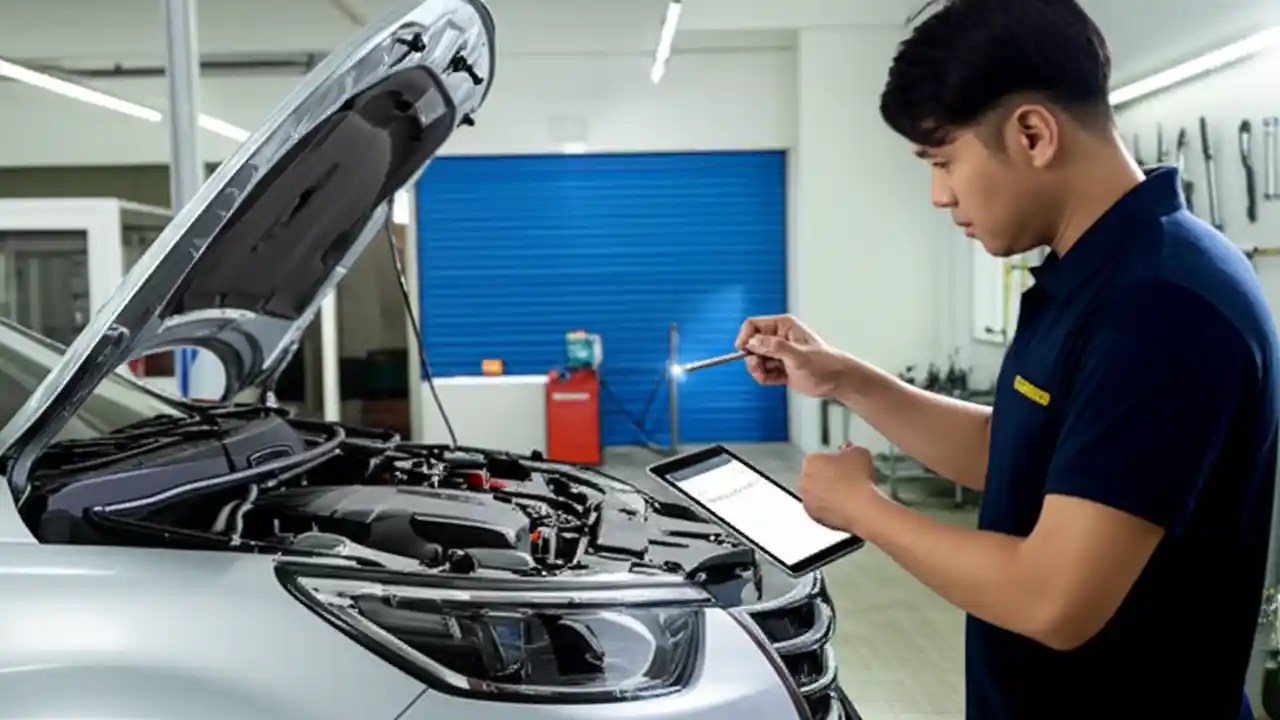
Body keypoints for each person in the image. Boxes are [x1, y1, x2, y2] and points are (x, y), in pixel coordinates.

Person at [735, 0, 1280, 717]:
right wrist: (841, 376)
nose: (938, 195)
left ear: (1031, 133)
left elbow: (1052, 598)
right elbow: (1012, 452)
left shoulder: (1164, 307)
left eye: (944, 160)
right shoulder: (1092, 271)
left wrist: (862, 508)